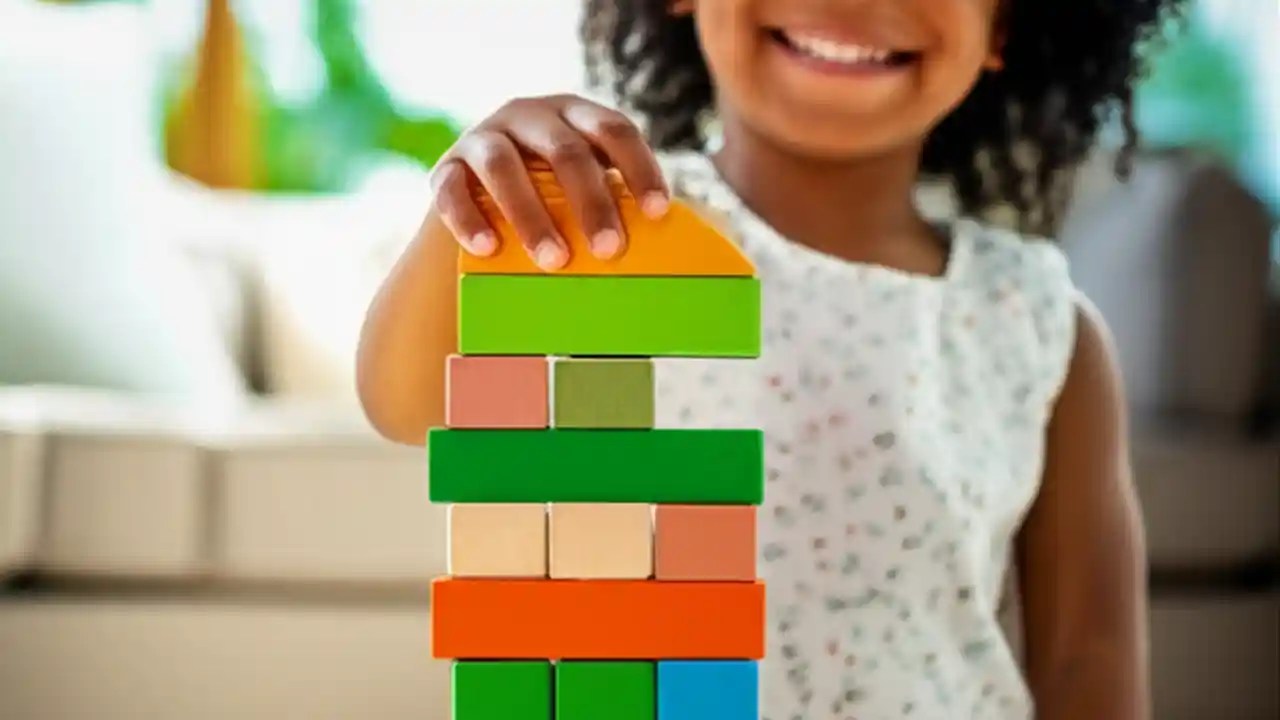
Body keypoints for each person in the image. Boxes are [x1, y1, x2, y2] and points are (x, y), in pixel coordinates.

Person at [358, 1, 1184, 717]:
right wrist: (467, 214)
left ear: (1003, 20)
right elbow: (405, 405)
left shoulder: (1037, 323)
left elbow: (1086, 661)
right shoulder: (593, 230)